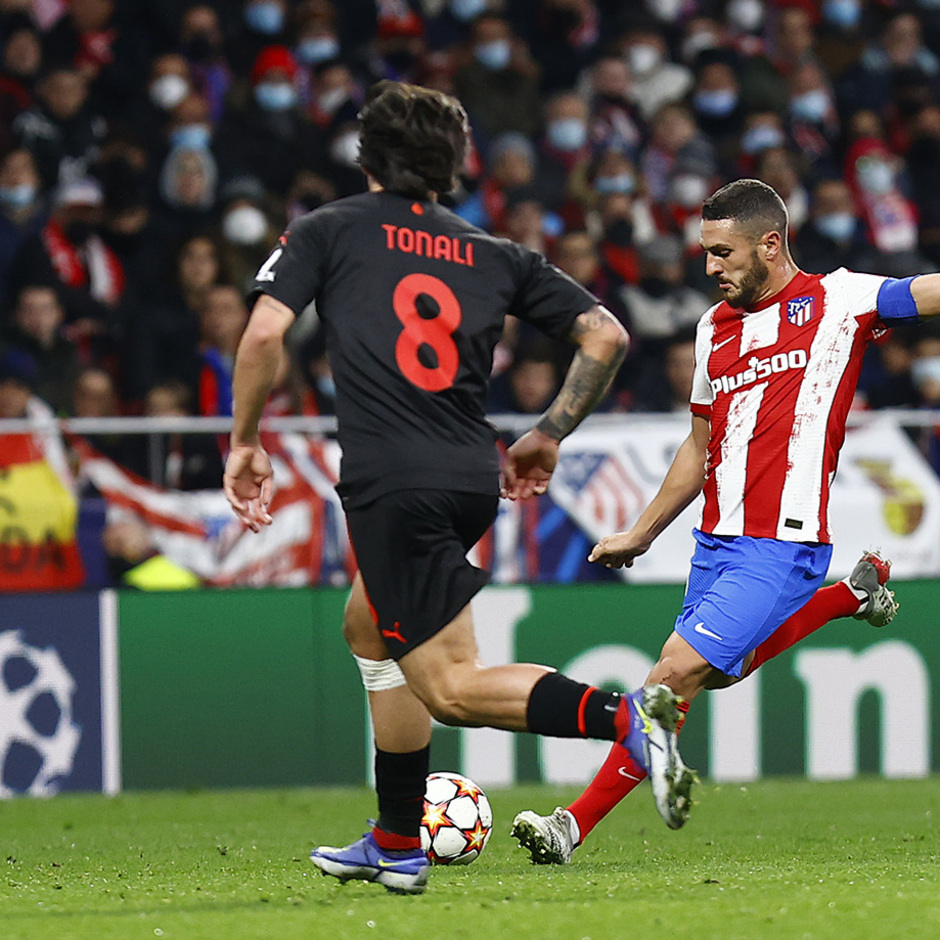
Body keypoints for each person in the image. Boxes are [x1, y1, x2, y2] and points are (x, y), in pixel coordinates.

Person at [223, 80, 693, 896]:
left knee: (451, 686)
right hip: (468, 472)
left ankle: (628, 719)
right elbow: (605, 335)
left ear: (367, 158)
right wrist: (549, 432)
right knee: (370, 628)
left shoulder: (330, 228)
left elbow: (265, 333)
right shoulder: (492, 252)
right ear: (454, 165)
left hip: (392, 478)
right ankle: (396, 841)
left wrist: (243, 441)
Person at [511, 177, 929, 865]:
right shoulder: (714, 328)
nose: (710, 267)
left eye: (722, 252)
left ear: (770, 244)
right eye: (706, 252)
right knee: (716, 675)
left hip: (782, 542)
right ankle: (850, 597)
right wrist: (643, 531)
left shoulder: (839, 298)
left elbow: (924, 292)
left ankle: (568, 828)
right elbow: (700, 445)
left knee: (670, 676)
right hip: (716, 541)